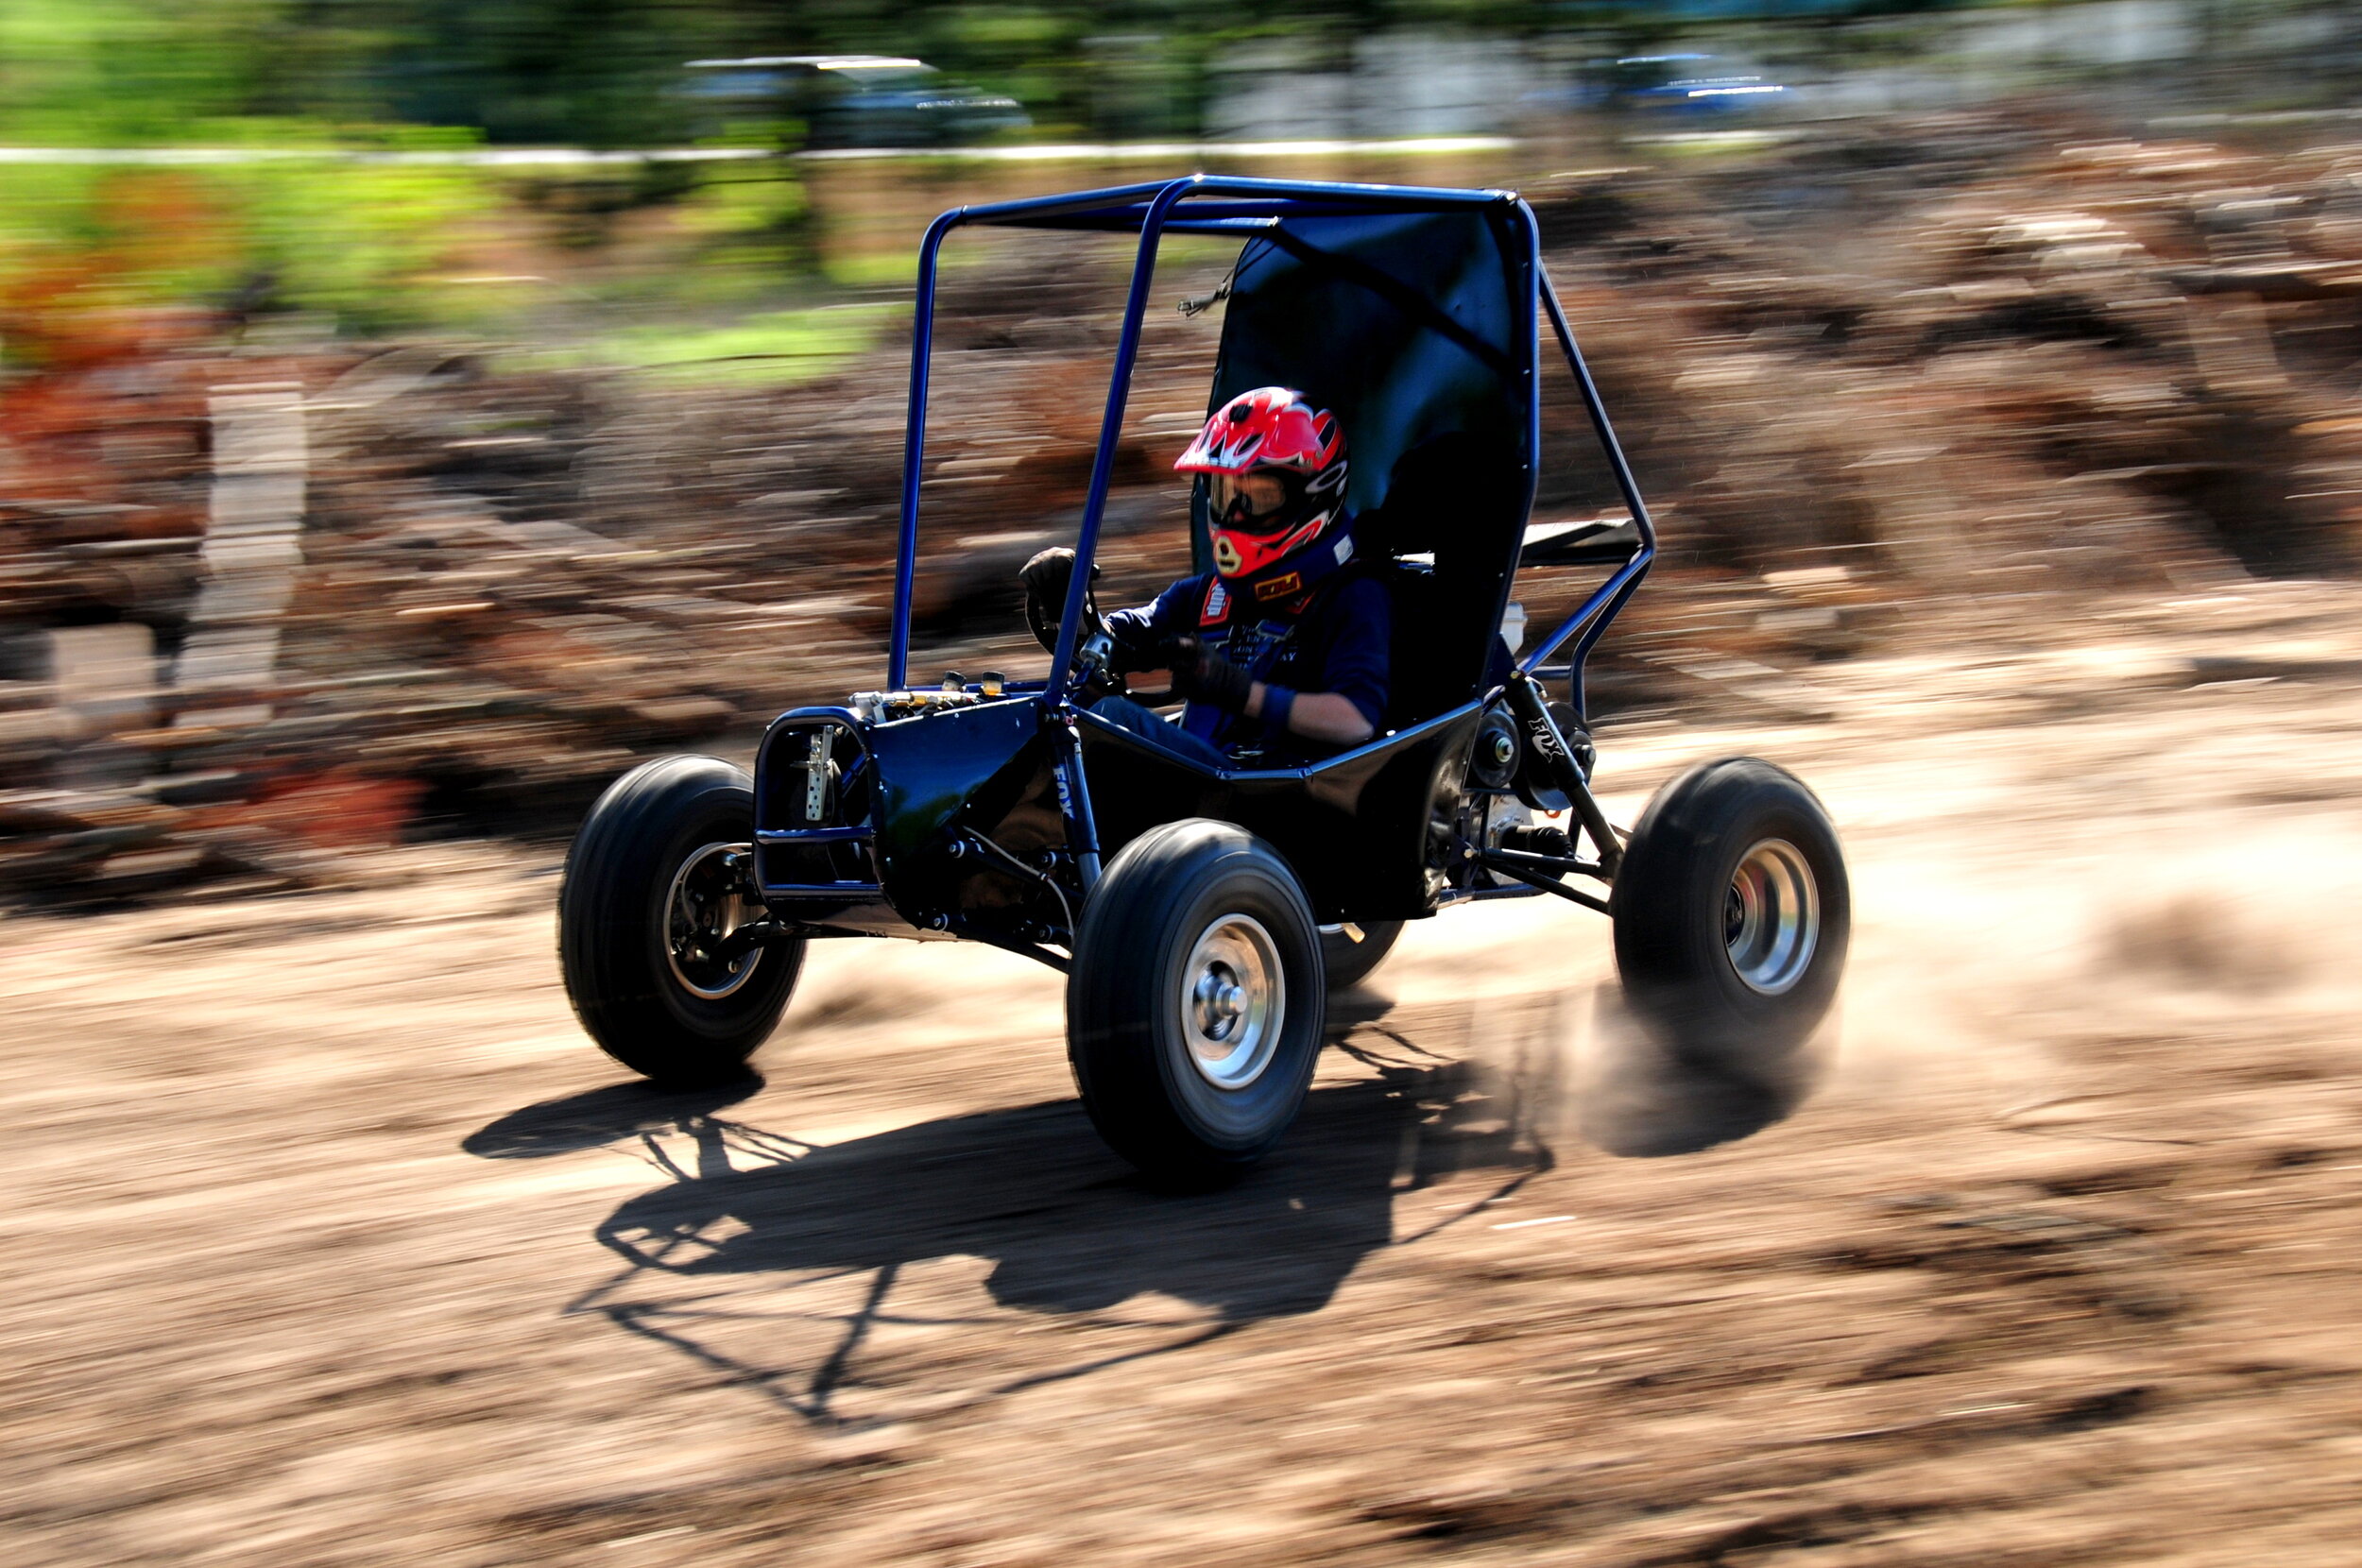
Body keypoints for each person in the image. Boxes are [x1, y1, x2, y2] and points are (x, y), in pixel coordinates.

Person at [1021, 385, 1390, 769]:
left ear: (1315, 498)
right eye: (1225, 494)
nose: (1234, 515)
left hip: (1278, 802)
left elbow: (1356, 722)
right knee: (1037, 713)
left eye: (1257, 498)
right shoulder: (1209, 596)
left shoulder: (1352, 595)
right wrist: (1070, 610)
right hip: (1200, 794)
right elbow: (1125, 636)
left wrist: (1240, 691)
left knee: (1113, 721)